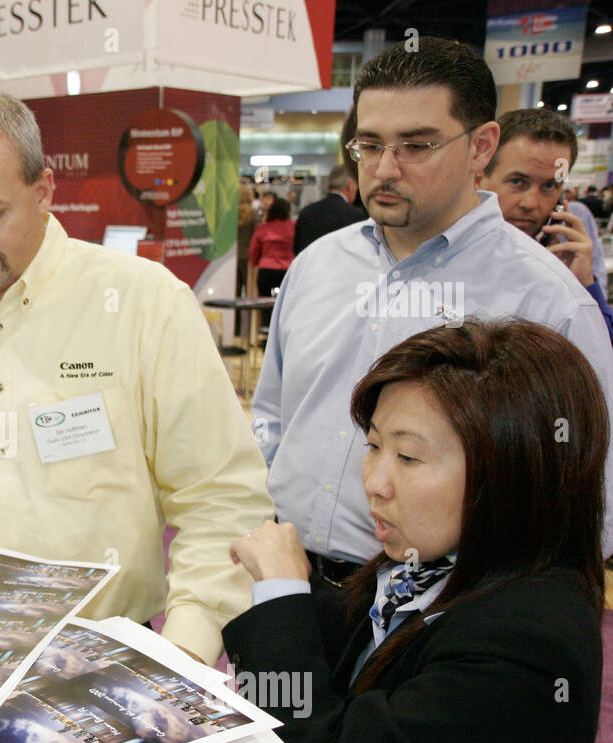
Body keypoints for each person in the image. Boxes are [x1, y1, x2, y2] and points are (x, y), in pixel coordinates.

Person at [0, 94, 274, 666]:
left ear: (44, 191)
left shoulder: (143, 304)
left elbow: (221, 498)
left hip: (105, 654)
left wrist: (185, 654)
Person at [226, 319, 604, 743]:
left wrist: (283, 597)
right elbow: (365, 639)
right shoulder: (437, 565)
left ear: (511, 468)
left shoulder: (529, 640)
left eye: (407, 457)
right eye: (374, 445)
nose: (375, 481)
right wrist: (295, 591)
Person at [252, 37, 613, 598]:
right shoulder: (318, 265)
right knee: (281, 691)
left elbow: (594, 500)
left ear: (481, 146)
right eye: (368, 145)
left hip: (441, 605)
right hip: (292, 581)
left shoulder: (548, 303)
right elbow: (273, 416)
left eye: (416, 145)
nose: (384, 169)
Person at [478, 108, 611, 332]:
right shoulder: (442, 248)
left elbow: (603, 356)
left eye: (549, 186)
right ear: (479, 176)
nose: (531, 203)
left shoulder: (564, 255)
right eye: (518, 182)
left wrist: (583, 286)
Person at [293, 164, 367, 255]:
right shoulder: (356, 215)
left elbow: (297, 249)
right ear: (350, 185)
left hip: (311, 267)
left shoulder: (306, 212)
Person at [246, 195, 294, 302]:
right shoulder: (294, 227)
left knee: (265, 304)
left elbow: (254, 250)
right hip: (287, 271)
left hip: (266, 271)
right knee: (286, 304)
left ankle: (266, 318)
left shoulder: (263, 228)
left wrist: (254, 262)